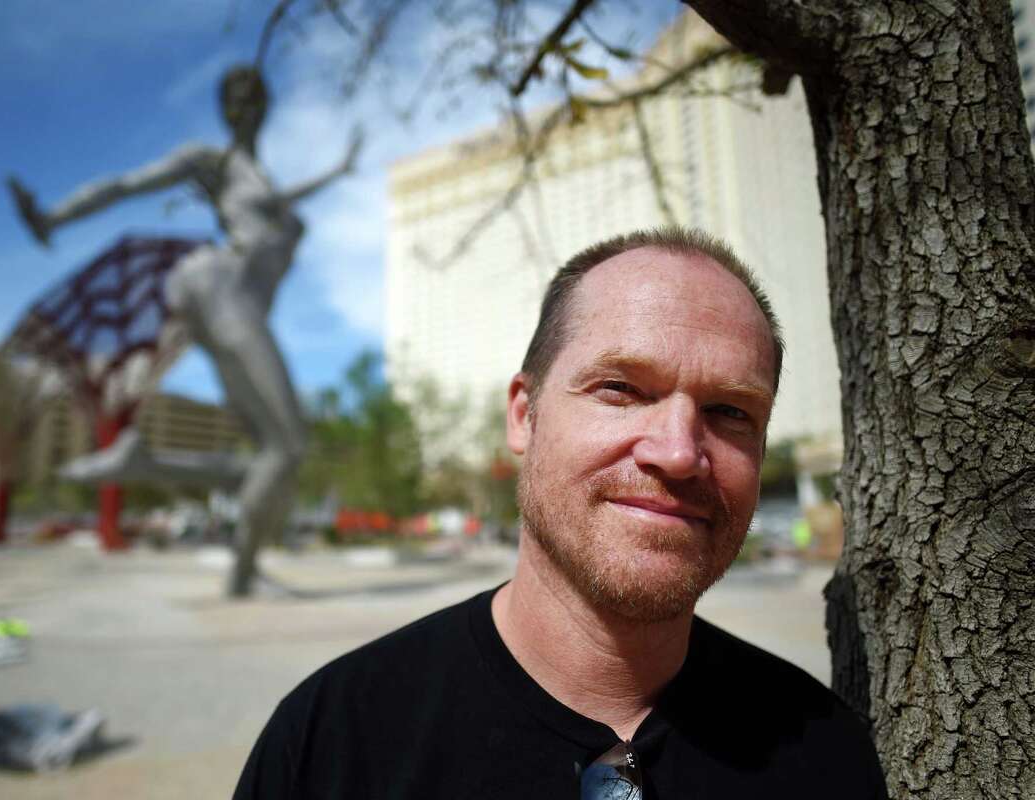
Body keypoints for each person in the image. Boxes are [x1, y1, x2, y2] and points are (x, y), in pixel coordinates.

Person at [231, 227, 888, 799]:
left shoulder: (825, 752)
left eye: (730, 412)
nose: (679, 453)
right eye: (622, 389)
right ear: (525, 414)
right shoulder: (333, 740)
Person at [7, 66, 361, 595]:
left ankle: (146, 463)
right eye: (236, 98)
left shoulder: (260, 179)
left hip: (239, 309)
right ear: (224, 108)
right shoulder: (213, 162)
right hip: (224, 290)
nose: (247, 107)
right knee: (288, 445)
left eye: (256, 96)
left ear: (267, 106)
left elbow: (285, 200)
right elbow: (128, 185)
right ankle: (242, 577)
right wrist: (53, 217)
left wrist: (337, 170)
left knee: (274, 453)